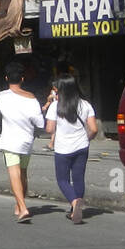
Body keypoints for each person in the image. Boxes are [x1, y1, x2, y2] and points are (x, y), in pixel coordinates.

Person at [0, 61, 44, 223]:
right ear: (22, 79)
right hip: (27, 141)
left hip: (10, 140)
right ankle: (19, 204)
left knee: (13, 172)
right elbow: (40, 124)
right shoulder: (32, 99)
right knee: (23, 173)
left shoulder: (1, 96)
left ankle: (22, 208)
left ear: (7, 78)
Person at [45, 75, 99, 224]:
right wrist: (86, 139)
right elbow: (94, 129)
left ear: (60, 90)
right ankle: (75, 210)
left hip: (63, 149)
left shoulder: (55, 106)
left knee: (62, 179)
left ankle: (74, 203)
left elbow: (49, 129)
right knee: (78, 178)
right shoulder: (85, 105)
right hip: (82, 147)